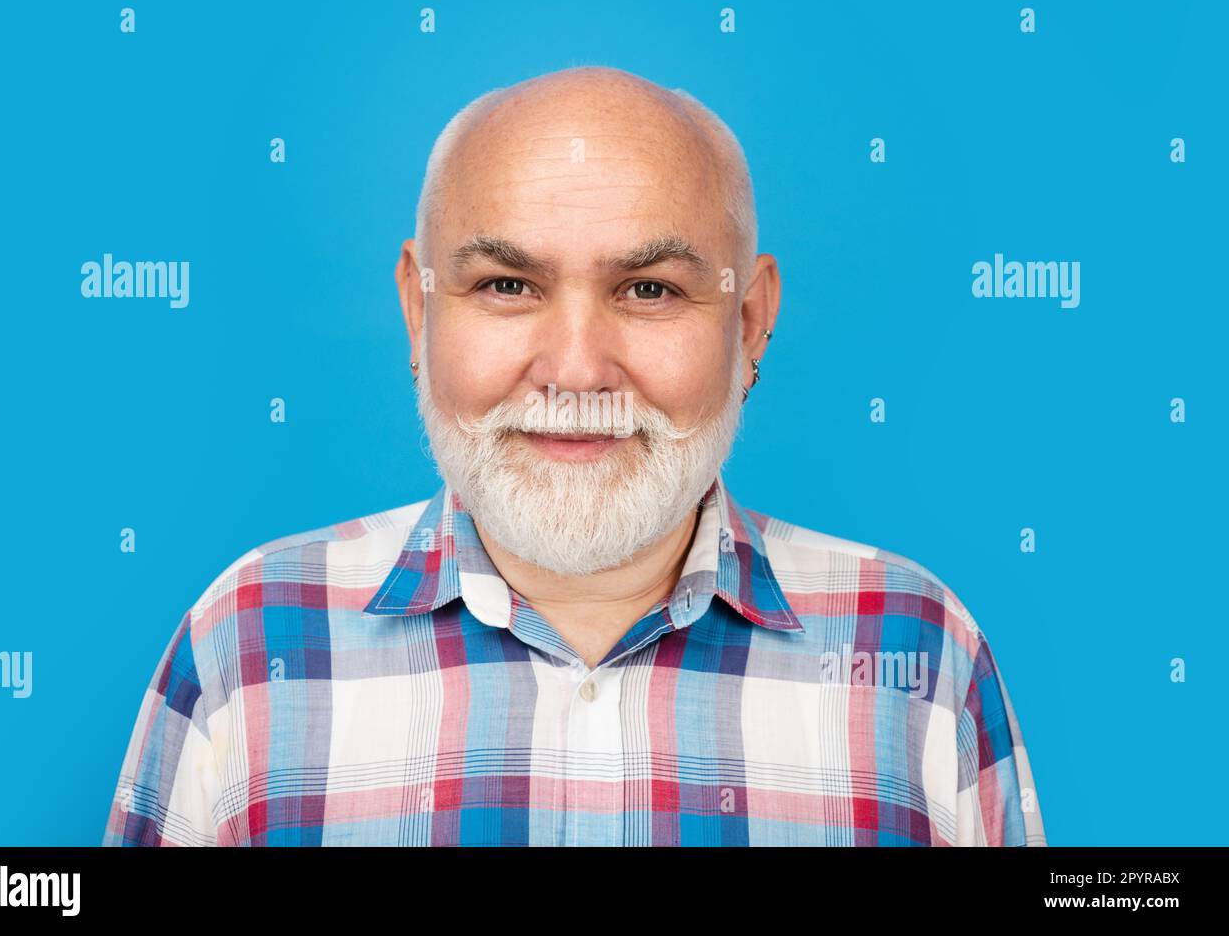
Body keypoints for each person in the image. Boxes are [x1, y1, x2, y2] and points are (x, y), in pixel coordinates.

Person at [103, 65, 1045, 846]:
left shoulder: (918, 650)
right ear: (420, 311)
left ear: (750, 323)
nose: (577, 368)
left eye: (649, 289)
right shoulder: (247, 640)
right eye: (508, 284)